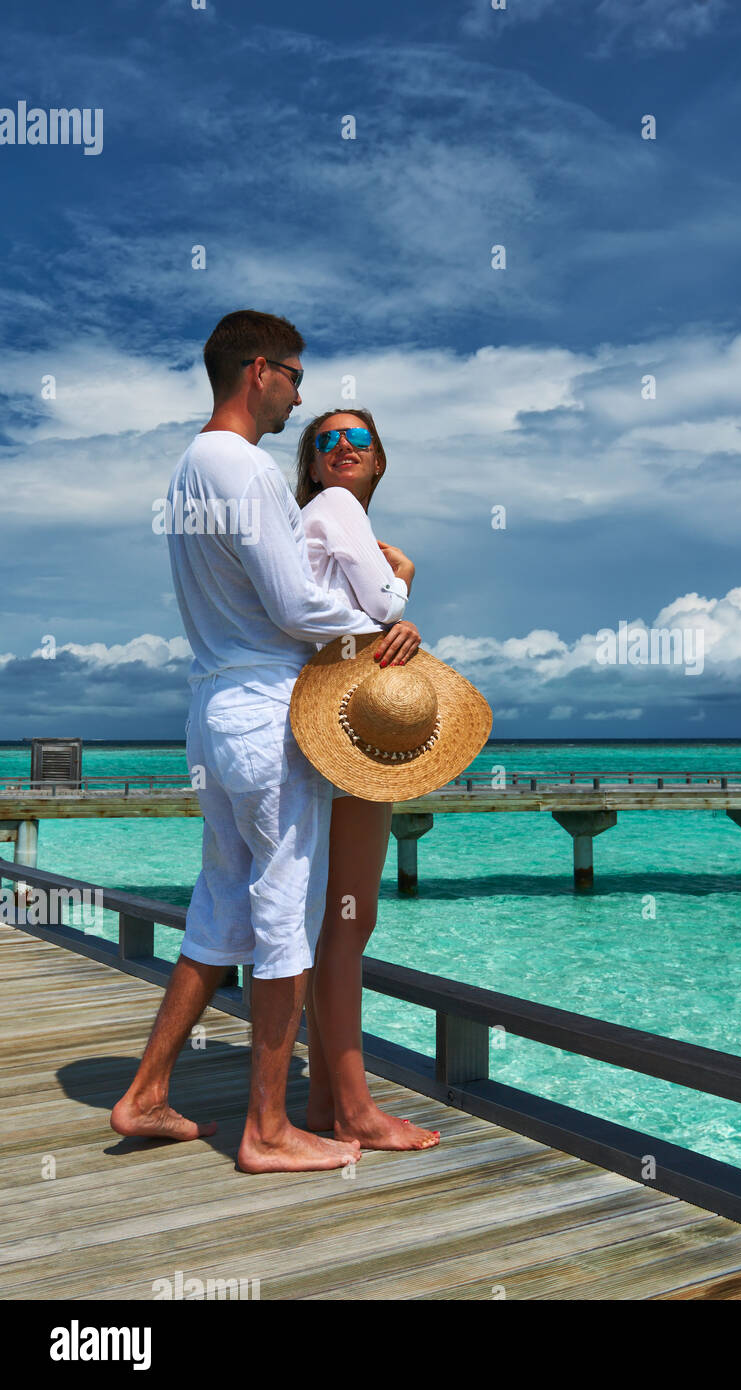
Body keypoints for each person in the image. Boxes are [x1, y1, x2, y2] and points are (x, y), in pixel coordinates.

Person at [110, 310, 417, 1172]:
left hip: (211, 706)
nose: (299, 393)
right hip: (262, 712)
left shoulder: (188, 469)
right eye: (295, 376)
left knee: (222, 905)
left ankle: (145, 1095)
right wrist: (383, 622)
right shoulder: (241, 466)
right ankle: (269, 1130)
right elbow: (293, 608)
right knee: (289, 912)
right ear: (258, 371)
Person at [291, 408, 441, 1150]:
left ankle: (325, 1100)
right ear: (314, 464)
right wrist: (404, 586)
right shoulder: (339, 508)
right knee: (349, 924)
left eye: (358, 440)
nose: (344, 448)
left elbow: (353, 623)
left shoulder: (318, 520)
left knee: (329, 925)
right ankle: (354, 1109)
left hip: (324, 720)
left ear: (381, 459)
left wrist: (393, 626)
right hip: (344, 733)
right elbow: (379, 606)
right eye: (328, 441)